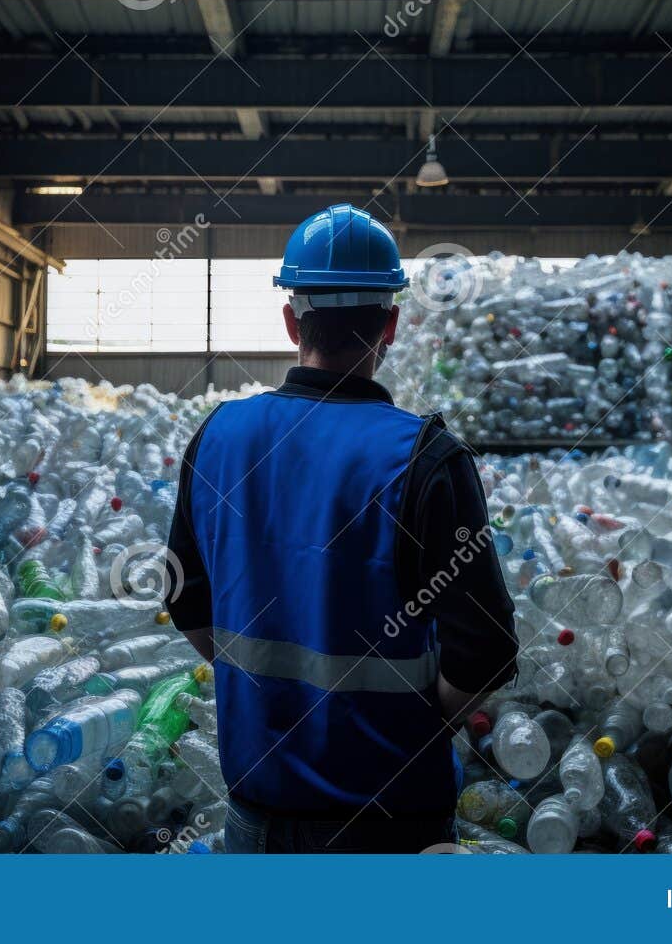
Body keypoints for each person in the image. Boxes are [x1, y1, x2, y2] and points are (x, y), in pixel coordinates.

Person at [166, 204, 518, 853]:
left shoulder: (218, 438)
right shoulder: (426, 460)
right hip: (392, 826)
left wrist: (265, 695)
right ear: (391, 325)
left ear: (290, 321)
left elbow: (183, 596)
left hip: (255, 817)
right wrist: (419, 723)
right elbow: (488, 647)